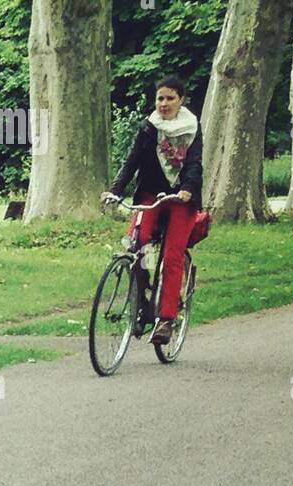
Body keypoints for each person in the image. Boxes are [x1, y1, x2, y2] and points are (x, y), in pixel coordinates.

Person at [103, 75, 203, 345]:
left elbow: (195, 163)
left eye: (170, 98)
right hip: (150, 194)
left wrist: (188, 188)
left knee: (172, 256)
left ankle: (166, 319)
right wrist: (115, 189)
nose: (164, 103)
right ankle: (143, 298)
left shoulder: (191, 127)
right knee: (136, 245)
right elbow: (132, 161)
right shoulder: (149, 128)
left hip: (181, 200)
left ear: (181, 100)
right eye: (160, 98)